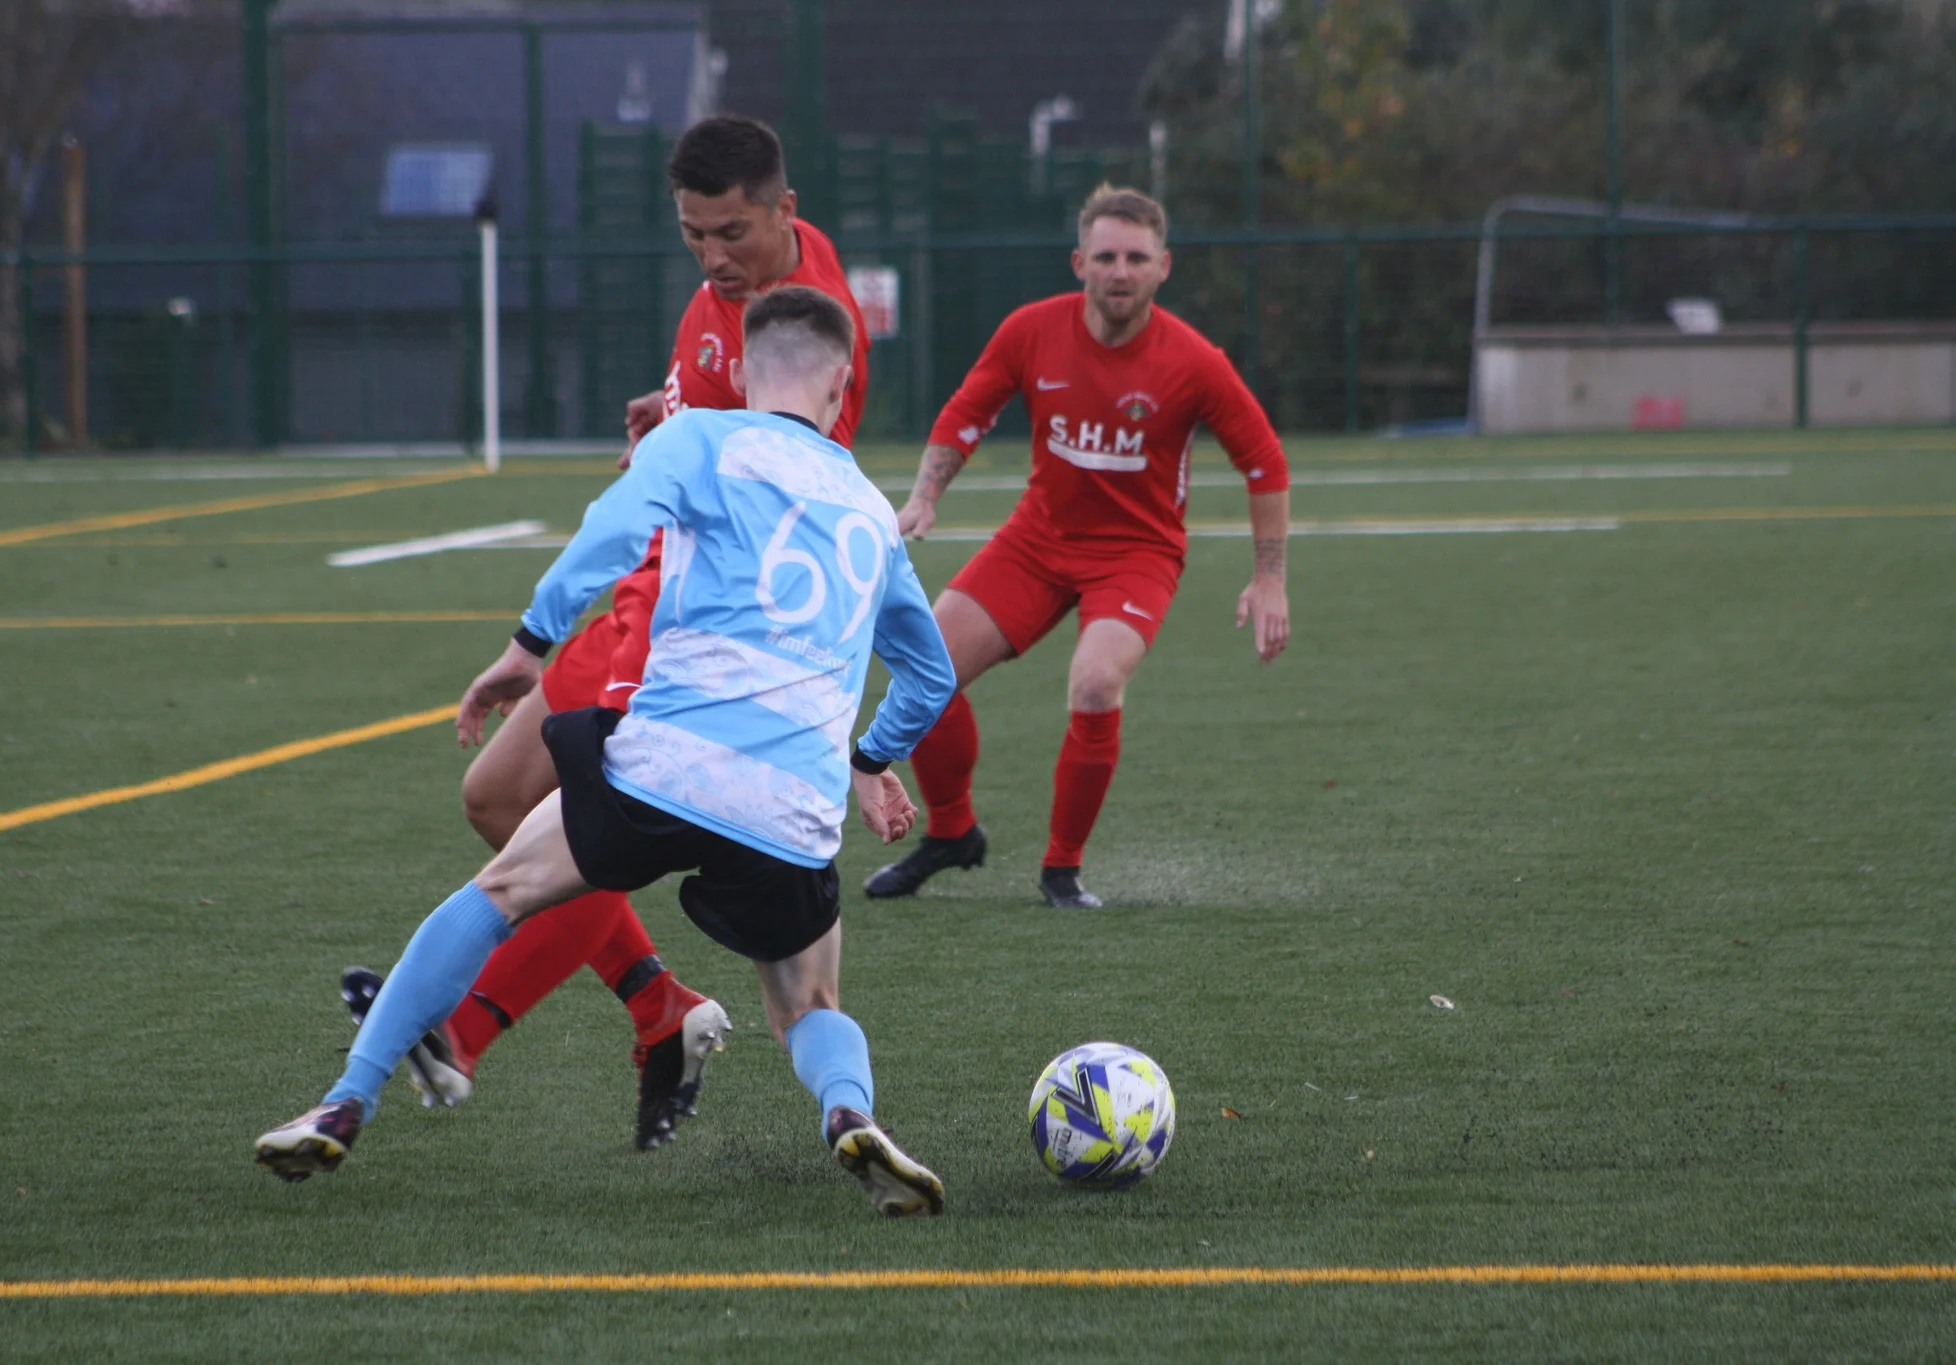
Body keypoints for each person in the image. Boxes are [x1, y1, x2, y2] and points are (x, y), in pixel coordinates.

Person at [258, 287, 957, 1217]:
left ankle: (349, 1096)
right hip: (791, 802)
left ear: (744, 371)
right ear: (844, 382)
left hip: (663, 765)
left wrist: (528, 644)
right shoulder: (873, 512)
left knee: (502, 889)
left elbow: (613, 533)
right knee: (810, 1002)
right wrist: (872, 755)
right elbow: (930, 675)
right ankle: (846, 1113)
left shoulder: (700, 436)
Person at [344, 115, 872, 1150]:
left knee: (542, 816)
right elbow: (718, 405)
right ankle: (652, 1009)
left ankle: (472, 1025)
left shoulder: (814, 329)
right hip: (652, 592)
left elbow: (784, 496)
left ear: (785, 215)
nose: (714, 258)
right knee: (499, 798)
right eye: (692, 236)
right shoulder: (750, 289)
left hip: (683, 630)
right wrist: (674, 408)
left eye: (732, 234)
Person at [865, 184, 1292, 910]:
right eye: (1105, 256)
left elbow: (1264, 462)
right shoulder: (1032, 331)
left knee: (1096, 682)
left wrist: (1269, 578)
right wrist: (925, 495)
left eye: (1135, 257)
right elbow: (970, 409)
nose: (1119, 271)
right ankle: (951, 832)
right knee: (924, 669)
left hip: (1137, 553)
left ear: (1164, 267)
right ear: (1078, 263)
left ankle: (1062, 869)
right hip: (1037, 539)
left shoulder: (1195, 361)